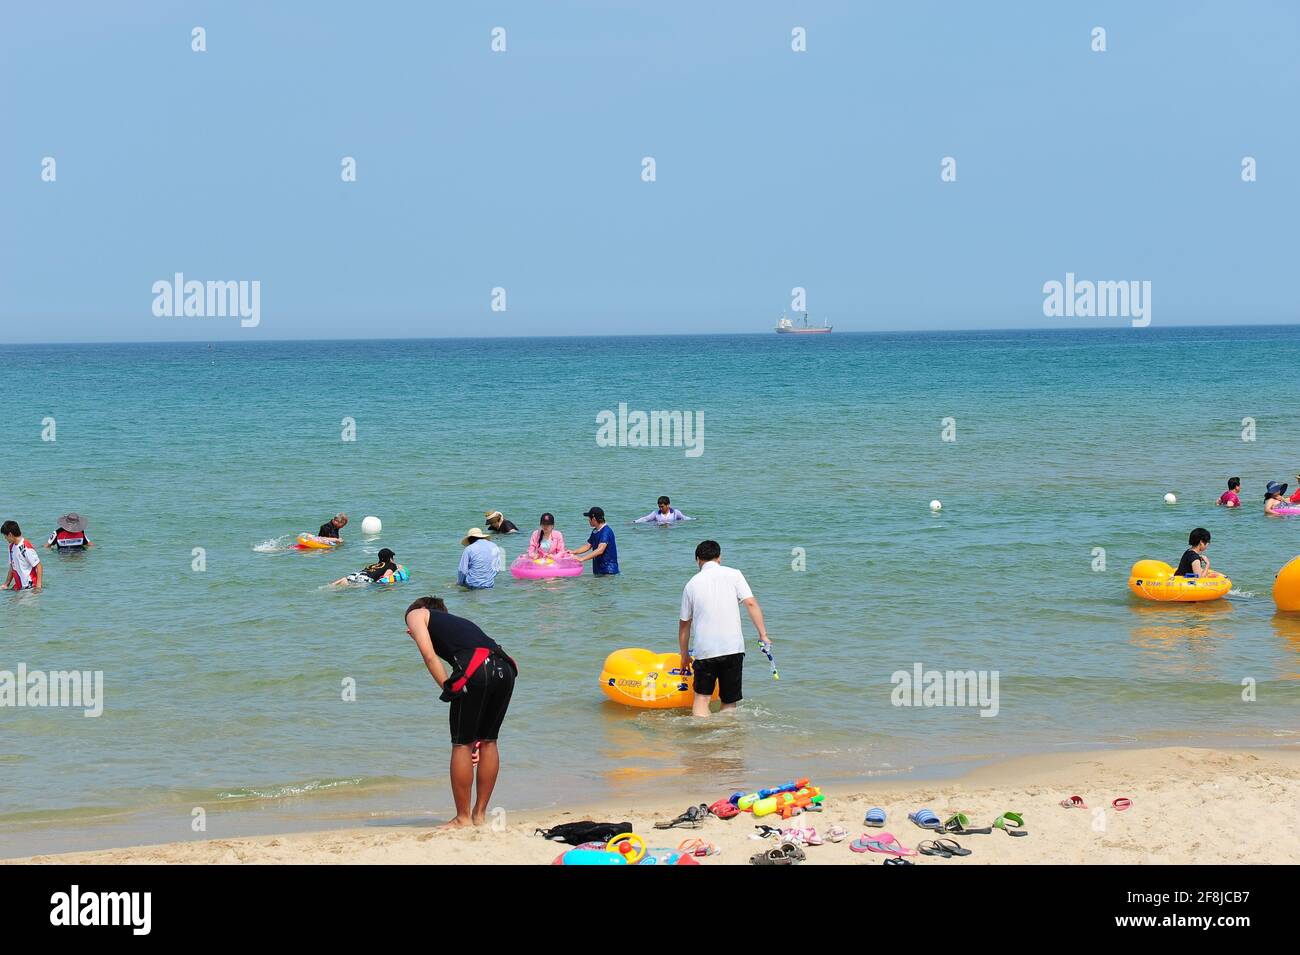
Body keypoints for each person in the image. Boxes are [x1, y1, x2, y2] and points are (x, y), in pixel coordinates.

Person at [405, 596, 517, 827]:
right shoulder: (458, 623)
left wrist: (449, 688)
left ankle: (462, 817)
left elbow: (429, 656)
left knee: (461, 744)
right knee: (489, 741)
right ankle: (479, 815)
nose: (409, 629)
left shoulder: (417, 613)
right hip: (505, 668)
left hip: (476, 669)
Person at [678, 540, 769, 717]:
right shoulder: (735, 574)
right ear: (719, 558)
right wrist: (763, 635)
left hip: (705, 651)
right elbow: (750, 603)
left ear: (698, 559)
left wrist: (684, 656)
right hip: (733, 648)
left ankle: (700, 739)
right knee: (729, 700)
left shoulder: (692, 584)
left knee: (702, 699)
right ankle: (726, 738)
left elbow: (684, 624)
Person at [570, 507, 618, 575]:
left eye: (589, 518)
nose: (588, 520)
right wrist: (574, 552)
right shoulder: (595, 530)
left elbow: (600, 550)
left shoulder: (606, 531)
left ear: (594, 519)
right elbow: (588, 545)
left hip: (608, 571)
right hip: (598, 570)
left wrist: (582, 559)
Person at [2, 521, 43, 591]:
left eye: (5, 536)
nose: (5, 538)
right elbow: (12, 567)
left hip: (30, 587)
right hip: (18, 586)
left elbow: (39, 566)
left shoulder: (25, 547)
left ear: (10, 534)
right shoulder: (11, 547)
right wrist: (6, 584)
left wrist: (38, 587)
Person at [331, 548, 404, 586]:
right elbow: (386, 576)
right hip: (365, 579)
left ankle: (342, 580)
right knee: (350, 589)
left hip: (356, 574)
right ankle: (345, 583)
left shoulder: (373, 565)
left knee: (349, 582)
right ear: (390, 558)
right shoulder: (391, 565)